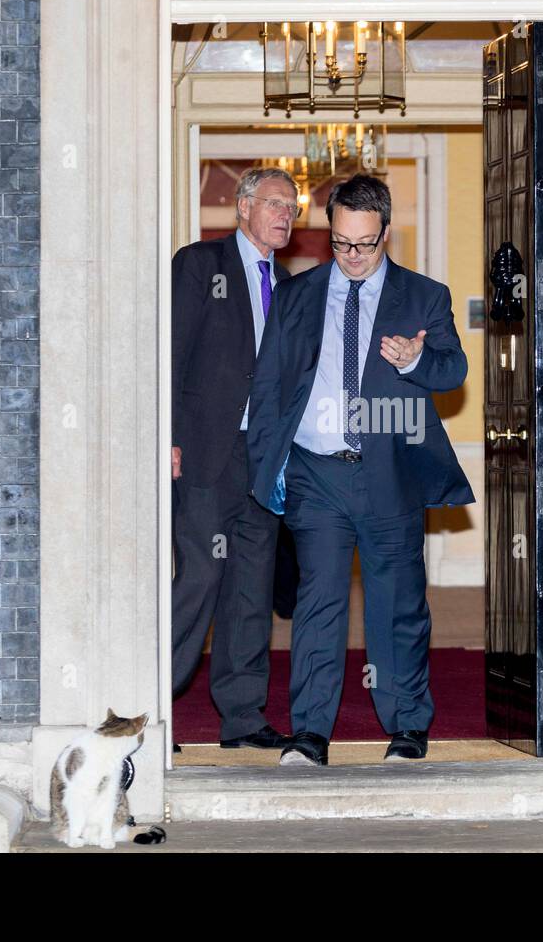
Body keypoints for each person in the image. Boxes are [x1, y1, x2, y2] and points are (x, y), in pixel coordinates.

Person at [246, 174, 474, 766]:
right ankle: (310, 732)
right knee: (318, 603)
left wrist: (418, 358)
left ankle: (405, 726)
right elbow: (269, 384)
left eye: (364, 244)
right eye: (341, 243)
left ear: (385, 233)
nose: (351, 256)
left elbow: (453, 371)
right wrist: (270, 465)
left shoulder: (424, 295)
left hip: (388, 474)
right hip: (316, 475)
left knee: (397, 603)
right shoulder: (297, 295)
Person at [170, 166, 300, 749]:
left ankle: (243, 718)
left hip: (264, 459)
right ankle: (151, 706)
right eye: (275, 203)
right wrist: (165, 437)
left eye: (292, 208)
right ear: (243, 207)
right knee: (199, 577)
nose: (285, 215)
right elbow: (169, 356)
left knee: (251, 587)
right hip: (203, 453)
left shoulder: (290, 284)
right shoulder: (200, 266)